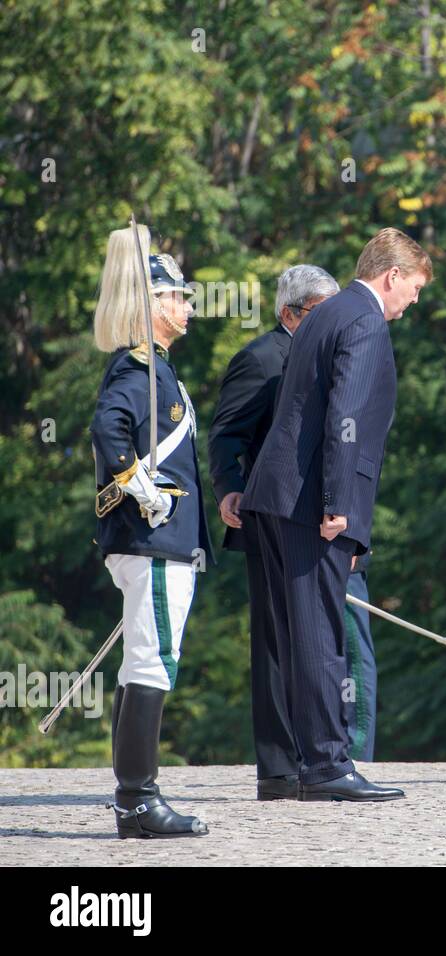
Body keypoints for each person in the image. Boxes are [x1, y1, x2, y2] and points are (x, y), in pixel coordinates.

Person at [240, 227, 429, 802]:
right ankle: (325, 766)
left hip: (275, 495)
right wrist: (337, 504)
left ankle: (300, 766)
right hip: (308, 503)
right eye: (415, 287)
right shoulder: (365, 319)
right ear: (392, 275)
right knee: (321, 633)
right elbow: (344, 416)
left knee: (297, 634)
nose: (415, 300)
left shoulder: (325, 313)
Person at [91, 224, 212, 837]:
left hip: (154, 542)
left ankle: (132, 800)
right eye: (178, 297)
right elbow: (108, 426)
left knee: (143, 661)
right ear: (153, 304)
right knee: (153, 660)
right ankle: (137, 799)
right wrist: (138, 483)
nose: (187, 307)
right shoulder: (139, 372)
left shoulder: (156, 370)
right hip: (154, 540)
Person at [208, 264, 341, 799]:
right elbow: (227, 433)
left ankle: (319, 756)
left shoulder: (330, 357)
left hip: (316, 521)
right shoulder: (263, 358)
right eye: (321, 312)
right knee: (275, 642)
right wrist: (228, 488)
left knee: (320, 641)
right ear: (291, 314)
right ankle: (280, 766)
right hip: (268, 518)